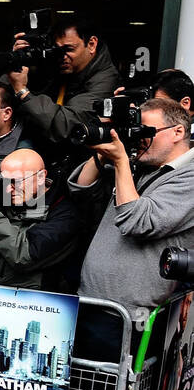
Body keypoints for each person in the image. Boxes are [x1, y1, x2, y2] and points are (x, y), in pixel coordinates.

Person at [68, 99, 194, 356]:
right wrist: (104, 152)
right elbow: (79, 190)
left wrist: (121, 162)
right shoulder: (144, 165)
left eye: (146, 132)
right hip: (89, 303)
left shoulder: (188, 176)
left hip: (126, 318)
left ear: (178, 132)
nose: (139, 141)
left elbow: (138, 222)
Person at [0, 148, 80, 290]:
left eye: (16, 181)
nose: (8, 189)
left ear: (41, 177)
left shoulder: (64, 214)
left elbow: (23, 257)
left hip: (25, 302)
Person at [8, 16, 121, 146]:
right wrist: (20, 60)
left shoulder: (106, 80)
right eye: (57, 50)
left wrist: (22, 91)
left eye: (69, 49)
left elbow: (64, 125)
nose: (61, 56)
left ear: (91, 44)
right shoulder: (61, 67)